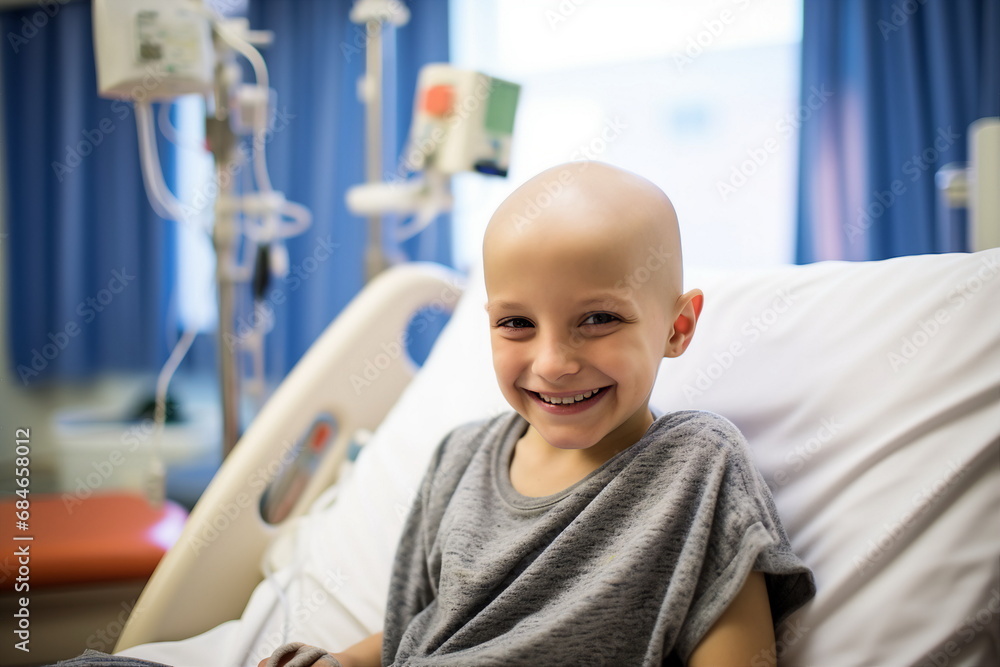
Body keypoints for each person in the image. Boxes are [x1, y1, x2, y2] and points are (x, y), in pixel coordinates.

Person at [260, 161, 816, 667]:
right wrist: (340, 662)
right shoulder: (459, 459)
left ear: (678, 327)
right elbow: (429, 630)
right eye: (517, 324)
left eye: (598, 319)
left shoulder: (696, 467)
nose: (552, 364)